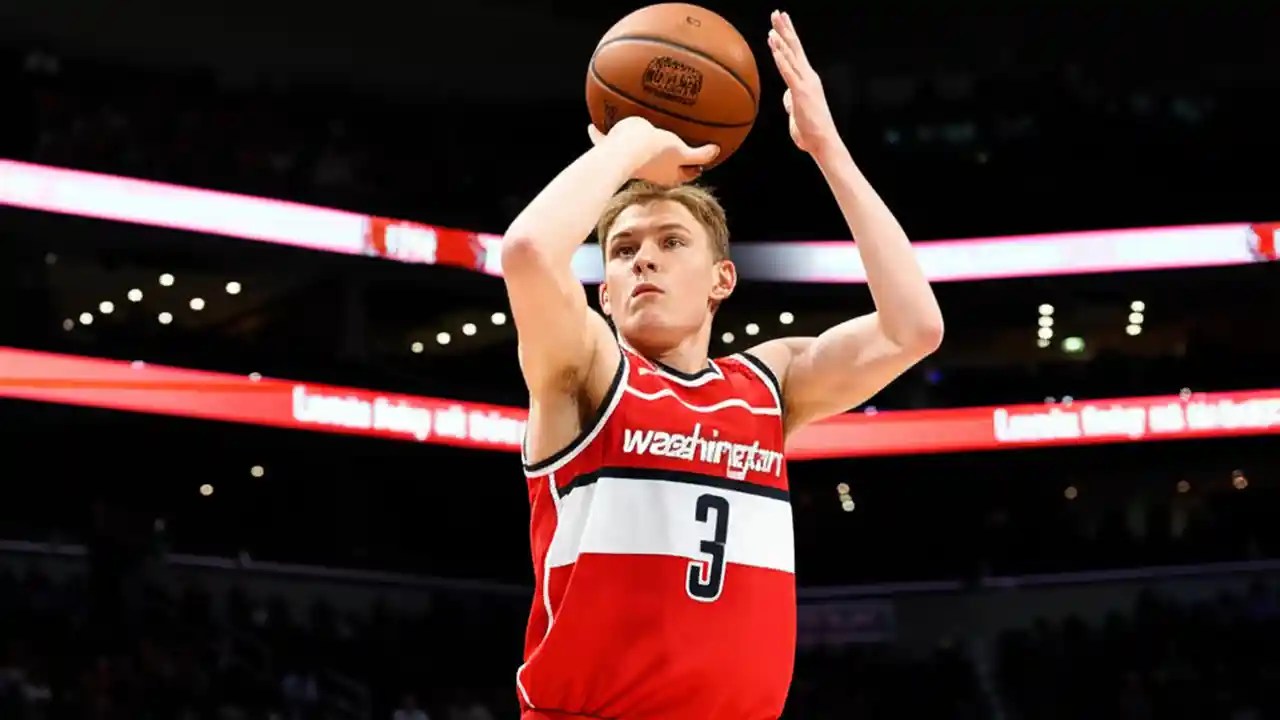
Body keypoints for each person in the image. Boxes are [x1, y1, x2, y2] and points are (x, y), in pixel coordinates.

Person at [500, 11, 943, 720]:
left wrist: (828, 149)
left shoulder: (766, 386)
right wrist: (629, 145)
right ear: (604, 293)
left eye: (672, 241)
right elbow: (526, 253)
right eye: (621, 250)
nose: (642, 256)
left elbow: (916, 327)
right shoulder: (584, 373)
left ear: (721, 281)